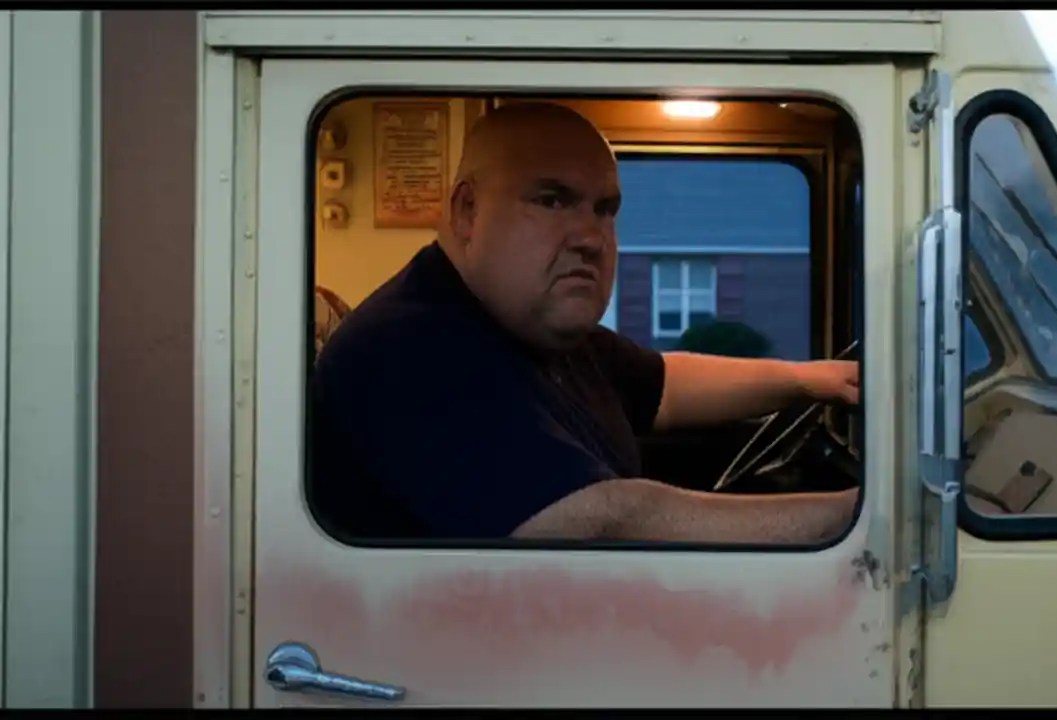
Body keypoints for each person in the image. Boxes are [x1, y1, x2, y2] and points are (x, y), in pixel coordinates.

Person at [311, 102, 862, 545]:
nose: (591, 237)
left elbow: (667, 385)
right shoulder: (411, 348)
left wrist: (812, 379)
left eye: (605, 210)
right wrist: (865, 517)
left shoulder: (533, 326)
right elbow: (603, 520)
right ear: (466, 211)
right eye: (553, 200)